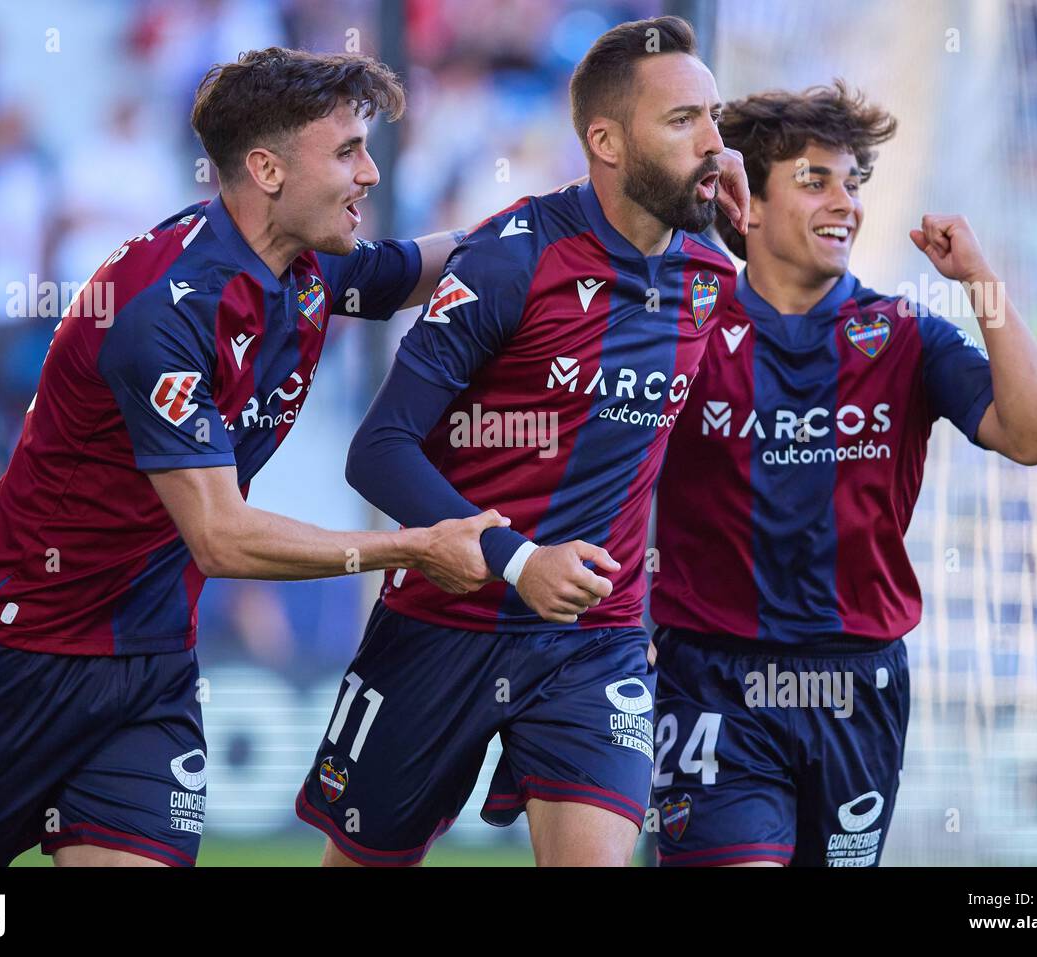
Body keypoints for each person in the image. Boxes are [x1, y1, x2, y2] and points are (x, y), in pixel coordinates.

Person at [0, 47, 506, 868]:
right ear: (267, 169)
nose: (369, 174)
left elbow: (437, 263)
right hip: (15, 651)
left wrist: (574, 217)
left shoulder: (310, 264)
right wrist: (411, 546)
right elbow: (221, 536)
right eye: (348, 152)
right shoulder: (163, 311)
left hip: (150, 666)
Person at [296, 16, 750, 867]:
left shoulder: (715, 277)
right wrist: (515, 558)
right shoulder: (513, 258)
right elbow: (380, 448)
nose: (716, 147)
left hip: (595, 637)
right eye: (684, 121)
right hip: (443, 620)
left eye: (713, 117)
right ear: (606, 141)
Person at [648, 80, 1037, 867]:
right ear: (751, 207)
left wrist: (980, 280)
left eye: (853, 181)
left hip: (856, 682)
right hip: (712, 677)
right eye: (815, 180)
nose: (845, 200)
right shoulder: (685, 333)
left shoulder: (904, 334)